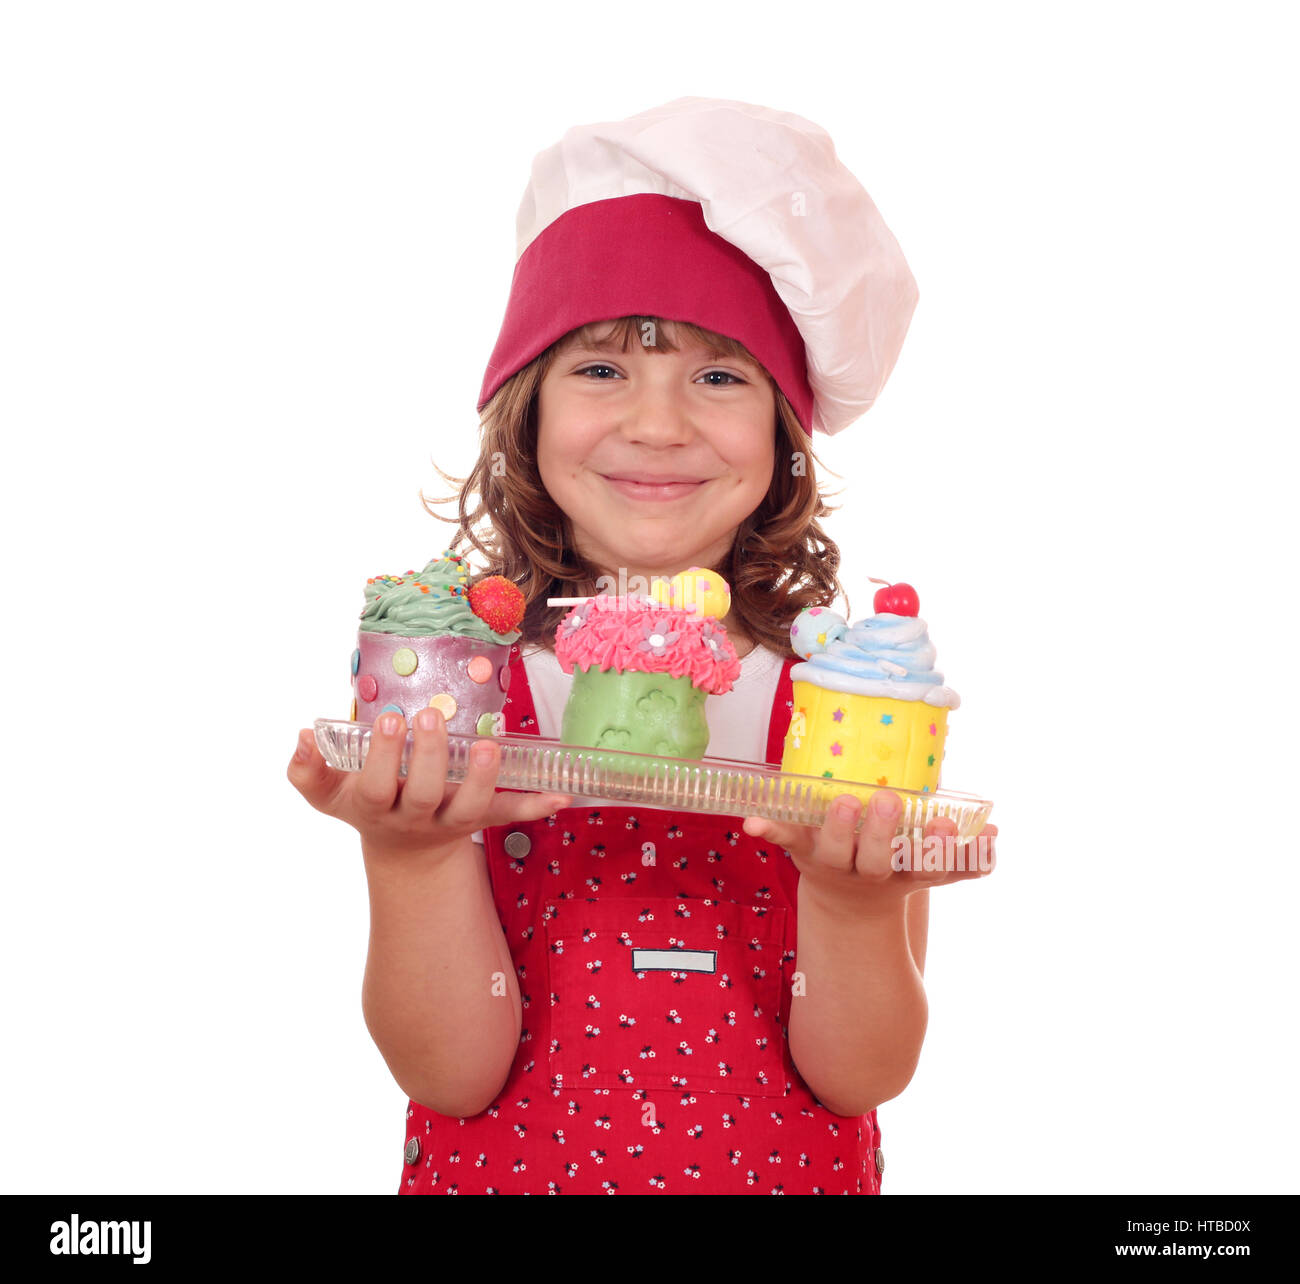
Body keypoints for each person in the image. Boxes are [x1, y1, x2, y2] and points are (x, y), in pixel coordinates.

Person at [288, 98, 996, 1195]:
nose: (658, 425)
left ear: (783, 436)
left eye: (720, 376)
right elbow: (451, 1073)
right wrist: (411, 853)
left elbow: (858, 1074)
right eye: (601, 368)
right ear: (521, 411)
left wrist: (855, 903)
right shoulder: (464, 696)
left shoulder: (841, 707)